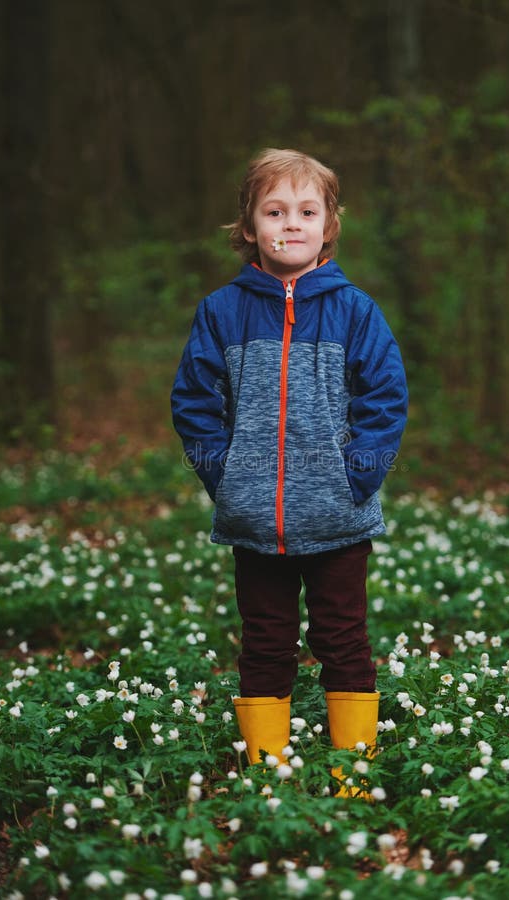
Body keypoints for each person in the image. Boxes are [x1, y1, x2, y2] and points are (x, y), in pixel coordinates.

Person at [171, 148, 408, 795]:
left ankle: (352, 774)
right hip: (254, 520)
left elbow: (385, 395)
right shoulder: (221, 311)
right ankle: (263, 774)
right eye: (274, 211)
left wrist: (356, 472)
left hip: (338, 515)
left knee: (342, 636)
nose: (291, 223)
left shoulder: (354, 309)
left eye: (307, 211)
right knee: (266, 641)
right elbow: (193, 401)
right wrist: (224, 474)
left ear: (328, 225)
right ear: (248, 226)